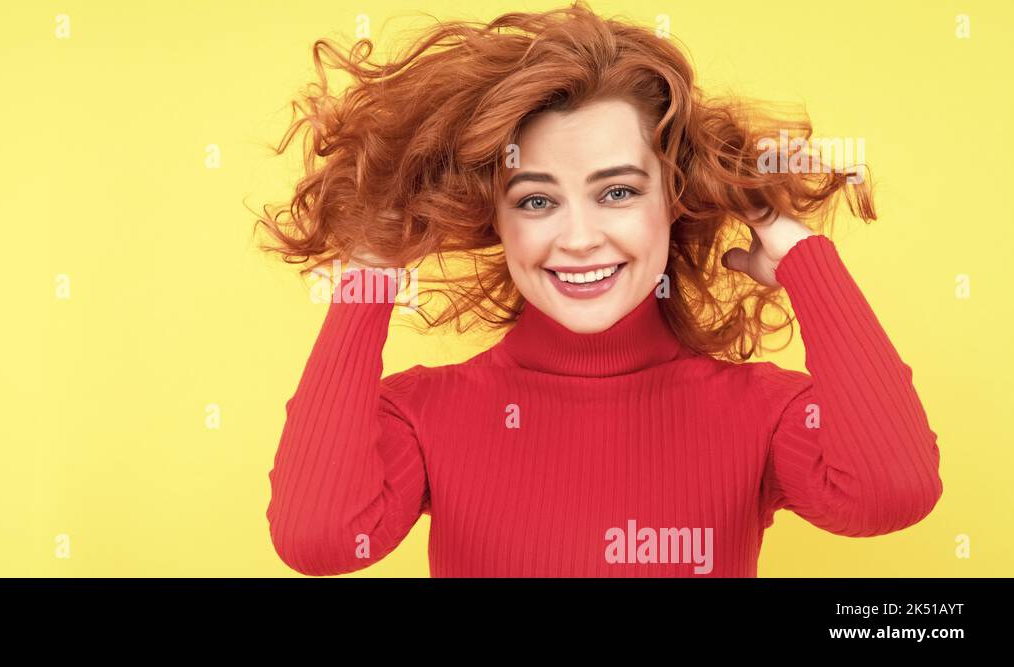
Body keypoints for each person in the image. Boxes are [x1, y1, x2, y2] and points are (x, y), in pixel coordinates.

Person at [257, 1, 942, 576]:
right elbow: (318, 538)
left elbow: (892, 491)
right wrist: (372, 268)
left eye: (616, 191)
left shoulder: (758, 411)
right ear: (494, 217)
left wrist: (800, 253)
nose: (579, 237)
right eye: (534, 200)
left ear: (673, 197)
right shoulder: (426, 414)